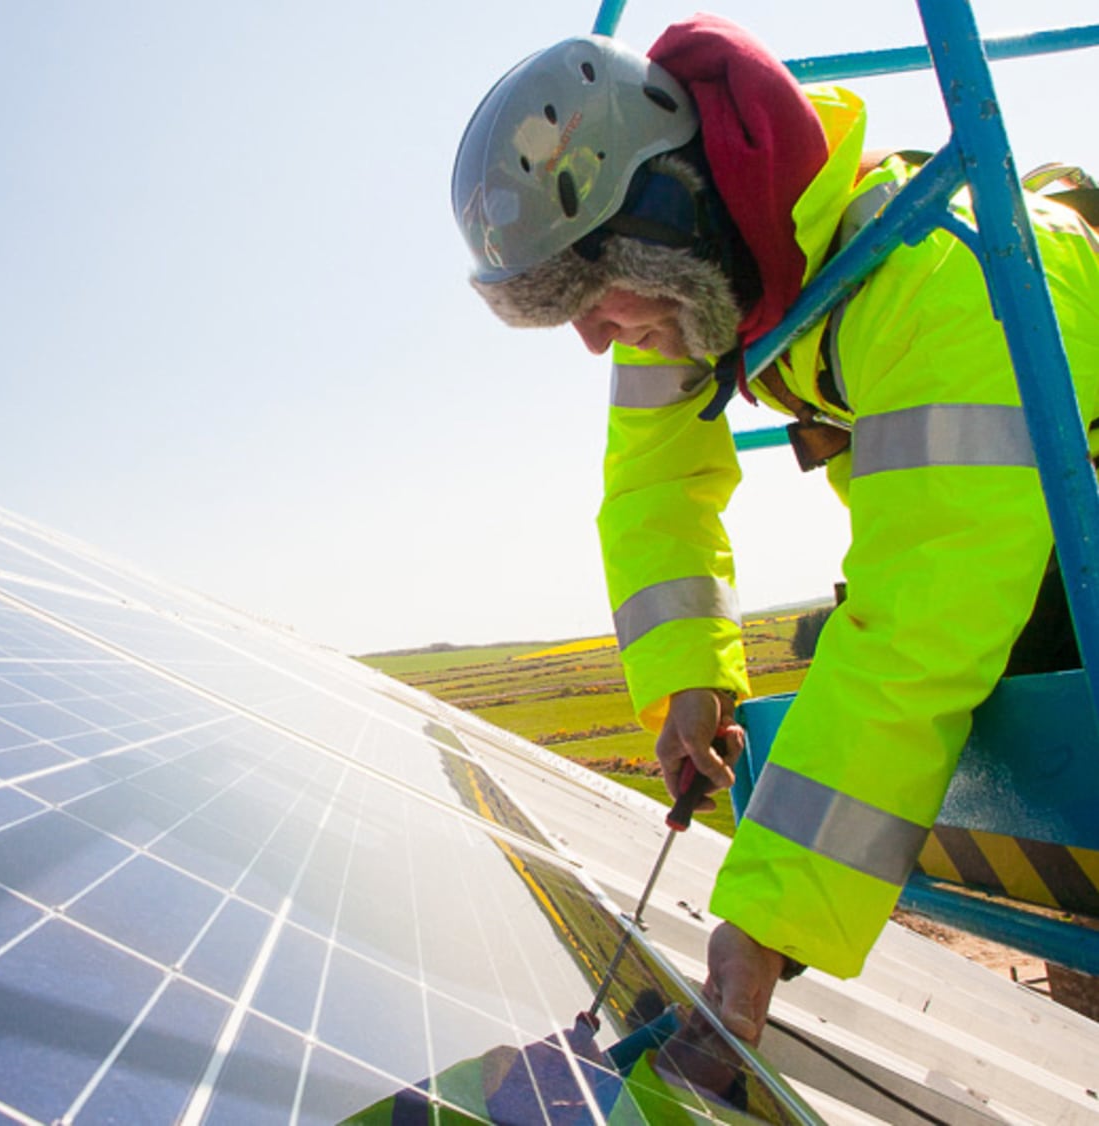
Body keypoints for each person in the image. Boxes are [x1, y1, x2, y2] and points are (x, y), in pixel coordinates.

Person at [451, 11, 1099, 1071]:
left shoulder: (947, 274)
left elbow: (917, 630)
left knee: (950, 667)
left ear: (674, 208)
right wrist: (687, 683)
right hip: (1001, 548)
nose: (588, 334)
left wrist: (763, 922)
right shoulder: (694, 285)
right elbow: (652, 487)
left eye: (589, 289)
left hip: (1059, 543)